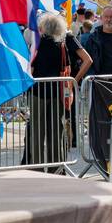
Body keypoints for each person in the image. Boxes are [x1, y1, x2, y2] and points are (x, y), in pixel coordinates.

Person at [26, 11, 92, 169]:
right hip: (60, 92)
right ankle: (58, 168)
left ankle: (37, 168)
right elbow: (88, 60)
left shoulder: (38, 41)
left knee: (36, 131)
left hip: (38, 91)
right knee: (57, 131)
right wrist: (73, 81)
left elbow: (31, 68)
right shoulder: (68, 38)